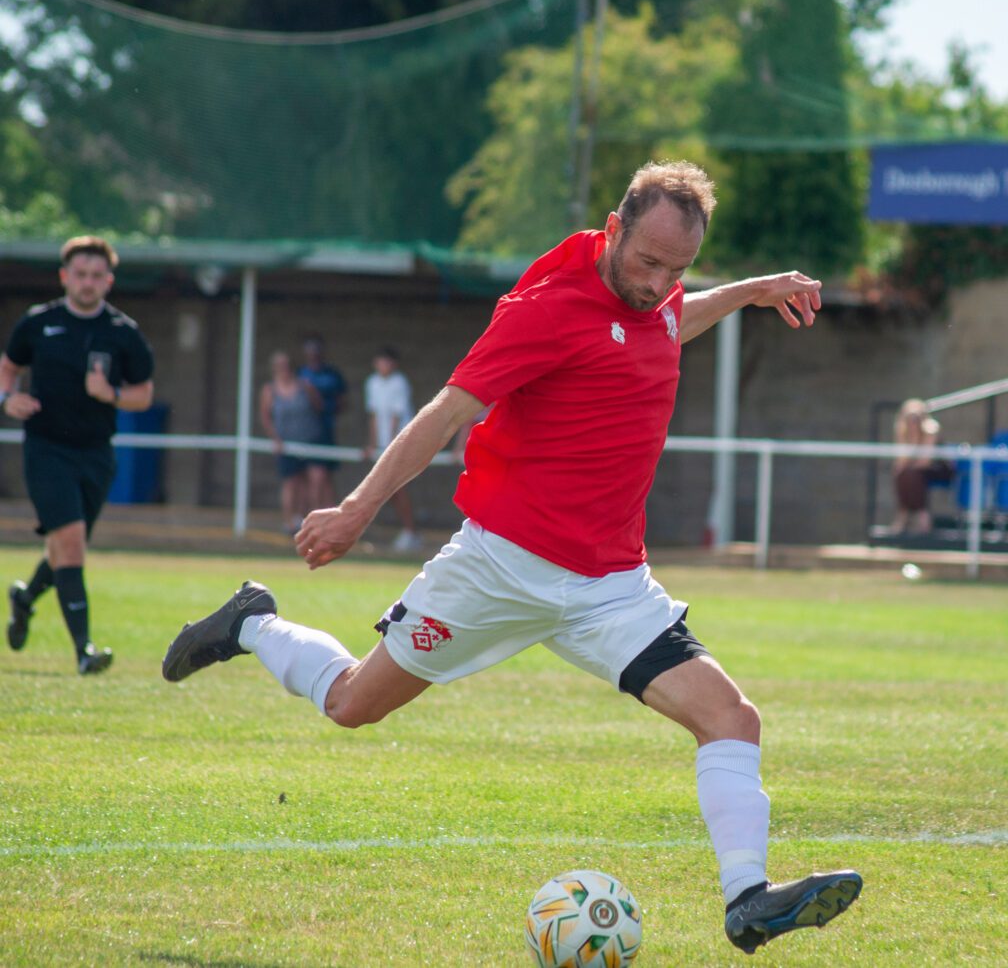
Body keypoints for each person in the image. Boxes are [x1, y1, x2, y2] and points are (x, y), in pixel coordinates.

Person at [160, 161, 862, 954]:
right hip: (497, 569)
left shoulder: (656, 299)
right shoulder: (546, 311)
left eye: (678, 268)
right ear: (615, 225)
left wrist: (745, 291)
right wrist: (358, 508)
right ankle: (253, 623)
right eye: (648, 262)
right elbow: (447, 410)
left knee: (731, 717)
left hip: (610, 587)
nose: (659, 282)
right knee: (354, 702)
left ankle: (747, 899)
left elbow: (668, 319)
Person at [1, 236, 154, 675]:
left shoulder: (123, 333)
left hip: (96, 454)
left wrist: (112, 394)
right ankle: (85, 651)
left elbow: (144, 395)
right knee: (70, 544)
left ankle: (25, 598)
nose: (87, 283)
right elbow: (8, 366)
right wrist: (7, 397)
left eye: (95, 276)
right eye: (79, 274)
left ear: (108, 281)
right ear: (64, 277)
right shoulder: (37, 323)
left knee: (65, 547)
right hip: (46, 449)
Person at [260, 350, 327, 536]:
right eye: (279, 366)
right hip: (286, 444)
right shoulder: (269, 390)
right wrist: (276, 439)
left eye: (286, 366)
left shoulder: (304, 386)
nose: (283, 370)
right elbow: (266, 417)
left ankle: (313, 523)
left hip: (310, 440)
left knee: (314, 480)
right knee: (291, 482)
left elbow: (319, 407)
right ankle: (290, 523)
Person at [364, 345, 421, 551]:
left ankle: (411, 533)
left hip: (398, 444)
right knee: (386, 490)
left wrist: (390, 445)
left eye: (387, 361)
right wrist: (373, 444)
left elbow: (397, 416)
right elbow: (373, 415)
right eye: (380, 361)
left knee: (398, 489)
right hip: (382, 446)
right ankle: (406, 532)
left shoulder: (400, 383)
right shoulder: (372, 383)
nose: (383, 365)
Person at [297, 333, 346, 509]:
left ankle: (329, 515)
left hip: (325, 431)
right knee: (311, 477)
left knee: (324, 477)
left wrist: (326, 406)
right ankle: (312, 517)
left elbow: (342, 402)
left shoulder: (332, 374)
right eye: (310, 350)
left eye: (316, 350)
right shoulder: (301, 374)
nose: (313, 354)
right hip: (305, 432)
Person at [890, 398, 944, 536]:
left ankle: (907, 515)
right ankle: (916, 515)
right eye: (909, 417)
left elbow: (925, 461)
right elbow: (901, 461)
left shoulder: (931, 429)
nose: (913, 421)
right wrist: (911, 436)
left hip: (938, 469)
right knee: (902, 474)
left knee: (912, 474)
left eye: (916, 417)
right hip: (914, 471)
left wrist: (916, 436)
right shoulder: (902, 429)